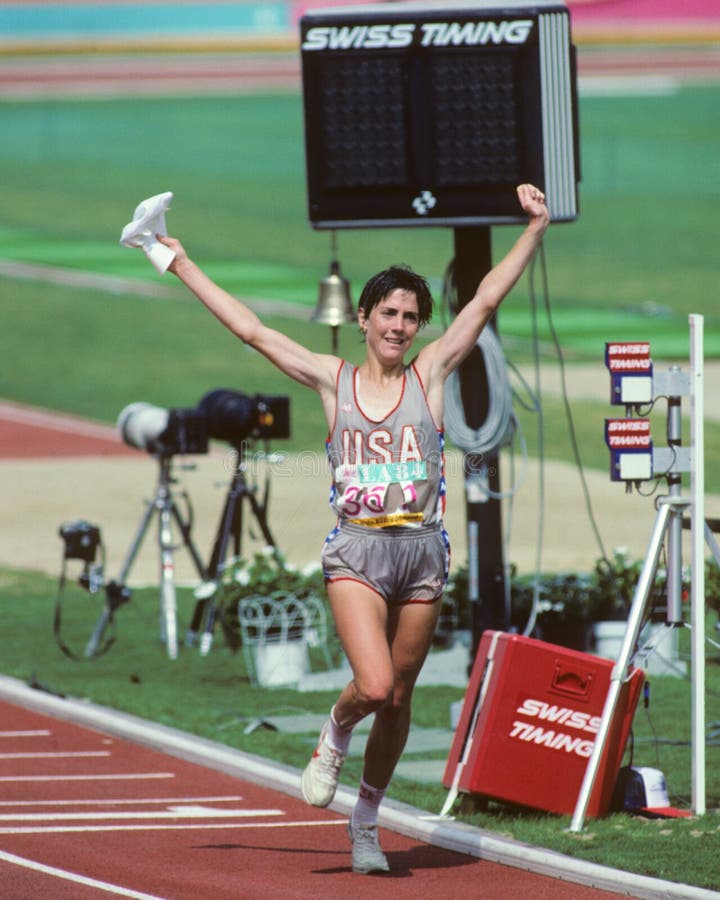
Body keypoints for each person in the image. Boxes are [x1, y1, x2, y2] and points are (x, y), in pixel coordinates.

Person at [156, 183, 549, 875]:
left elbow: (485, 299)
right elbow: (251, 330)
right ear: (363, 317)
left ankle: (366, 819)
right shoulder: (333, 381)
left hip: (423, 555)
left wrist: (536, 228)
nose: (399, 325)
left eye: (410, 316)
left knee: (399, 699)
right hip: (359, 553)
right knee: (370, 687)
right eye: (388, 313)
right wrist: (178, 260)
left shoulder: (429, 375)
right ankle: (332, 736)